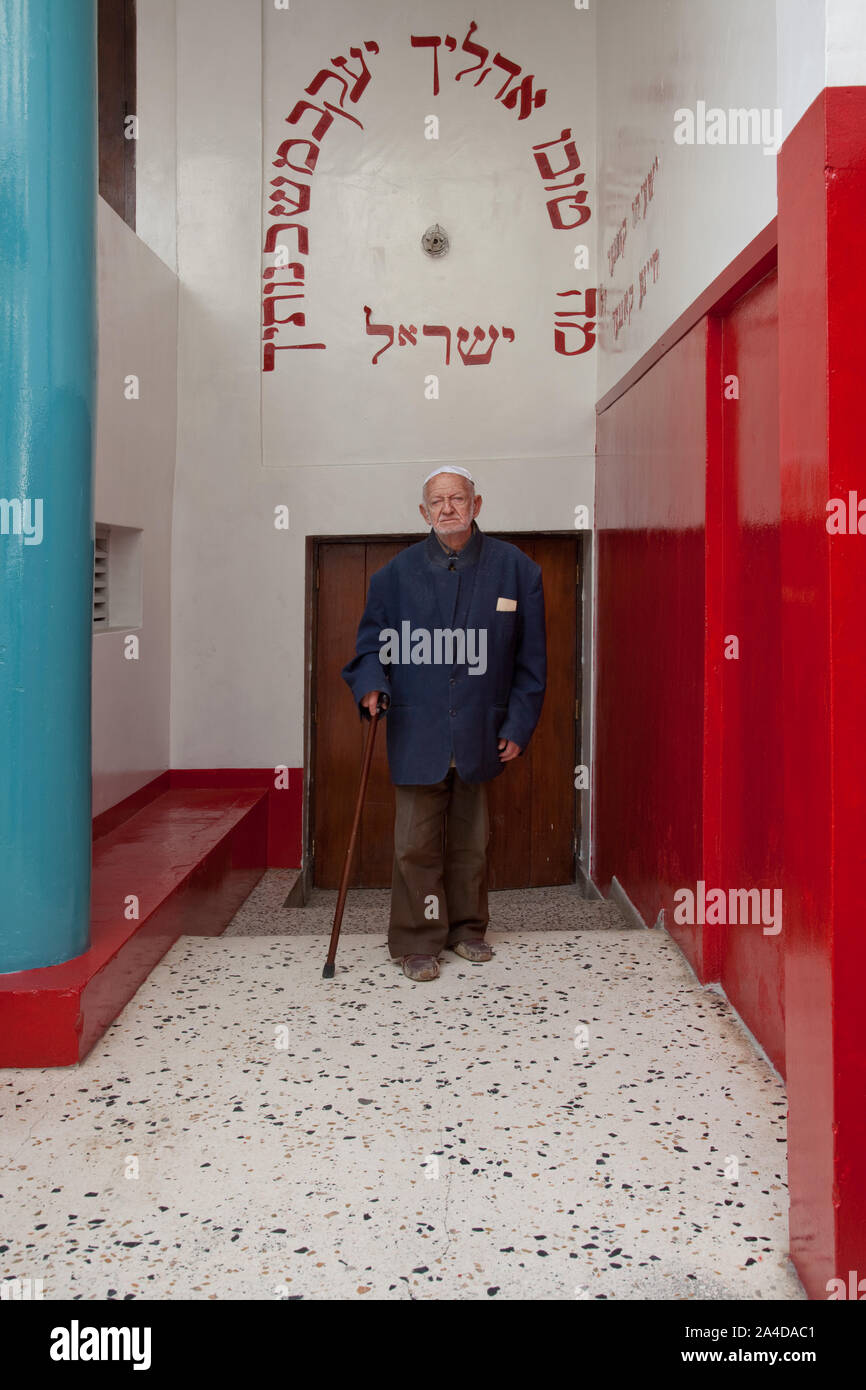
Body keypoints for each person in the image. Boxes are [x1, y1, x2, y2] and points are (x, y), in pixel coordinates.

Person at [341, 467, 546, 981]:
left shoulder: (517, 571)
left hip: (482, 729)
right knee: (414, 843)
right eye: (437, 501)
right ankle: (417, 939)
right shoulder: (394, 576)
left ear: (477, 504)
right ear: (422, 511)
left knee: (471, 841)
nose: (448, 508)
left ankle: (468, 930)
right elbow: (371, 646)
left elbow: (532, 662)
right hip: (418, 730)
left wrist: (519, 725)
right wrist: (371, 683)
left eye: (458, 498)